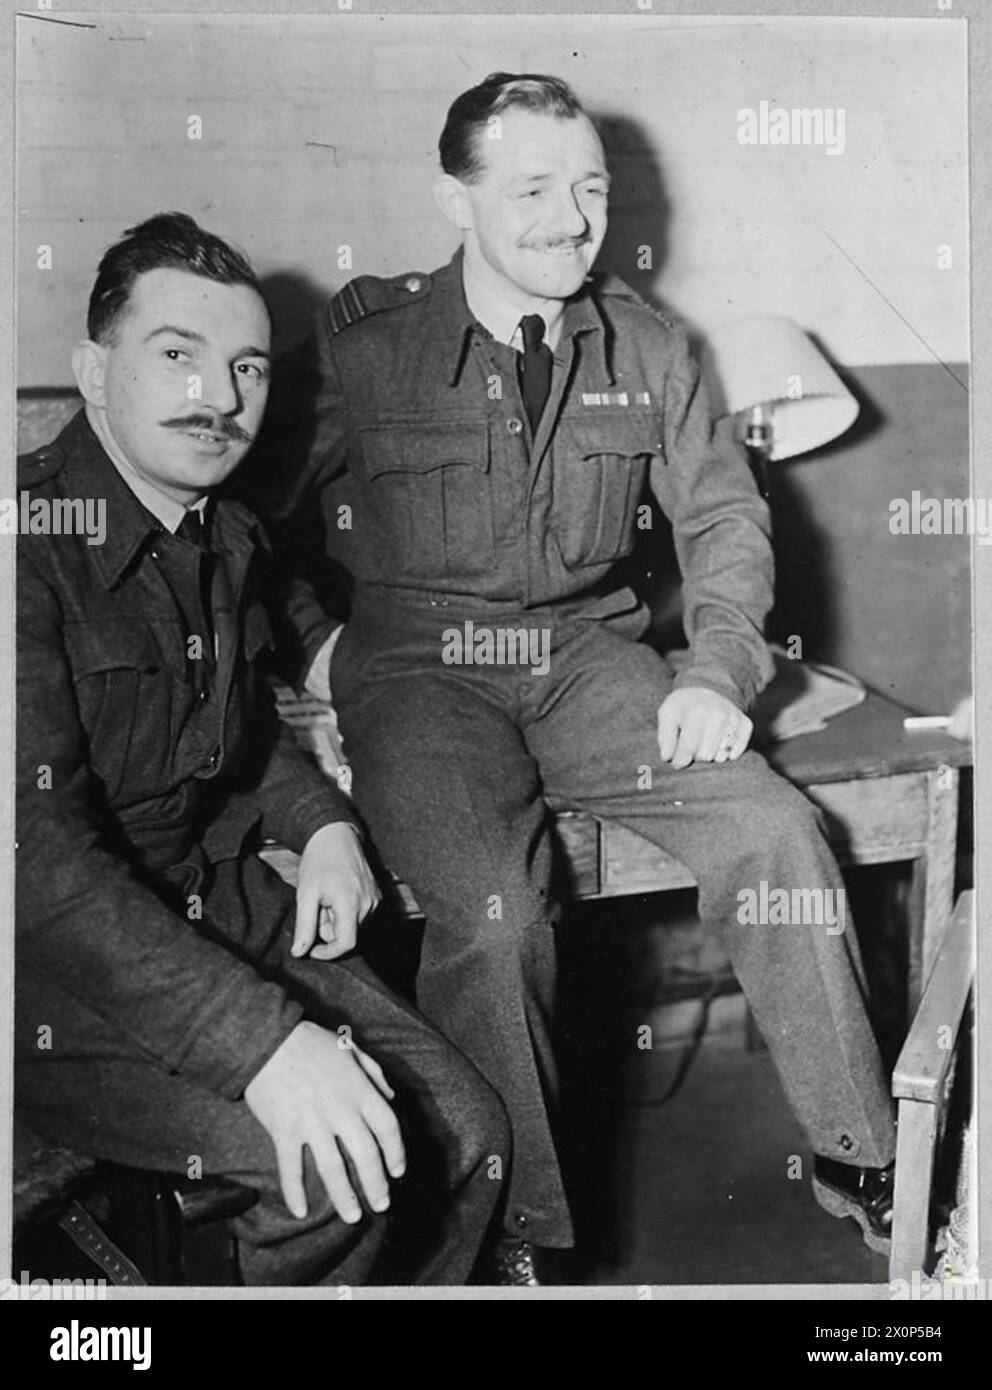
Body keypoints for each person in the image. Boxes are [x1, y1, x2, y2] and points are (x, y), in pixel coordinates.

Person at [246, 74, 896, 1283]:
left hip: (586, 654)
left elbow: (723, 523)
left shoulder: (648, 343)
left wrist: (714, 668)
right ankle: (518, 1234)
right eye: (531, 188)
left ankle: (864, 1156)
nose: (569, 217)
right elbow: (246, 523)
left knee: (772, 828)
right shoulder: (366, 346)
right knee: (493, 915)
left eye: (588, 187)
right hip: (420, 669)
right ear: (457, 196)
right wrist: (316, 644)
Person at [15, 212, 509, 1287]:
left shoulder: (224, 532)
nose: (221, 397)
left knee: (471, 1133)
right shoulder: (25, 552)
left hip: (202, 903)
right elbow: (38, 871)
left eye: (245, 366)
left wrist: (320, 821)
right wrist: (266, 1050)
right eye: (177, 355)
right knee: (327, 1170)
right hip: (48, 974)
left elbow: (230, 740)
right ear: (93, 373)